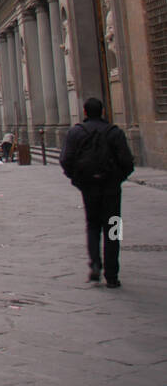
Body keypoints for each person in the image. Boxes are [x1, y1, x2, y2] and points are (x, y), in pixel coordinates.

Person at [61, 97, 135, 287]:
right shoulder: (114, 132)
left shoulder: (76, 132)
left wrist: (77, 180)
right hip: (111, 188)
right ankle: (112, 275)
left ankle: (95, 264)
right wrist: (117, 178)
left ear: (85, 112)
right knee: (113, 228)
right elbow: (127, 161)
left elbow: (65, 160)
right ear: (102, 111)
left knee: (92, 225)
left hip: (88, 188)